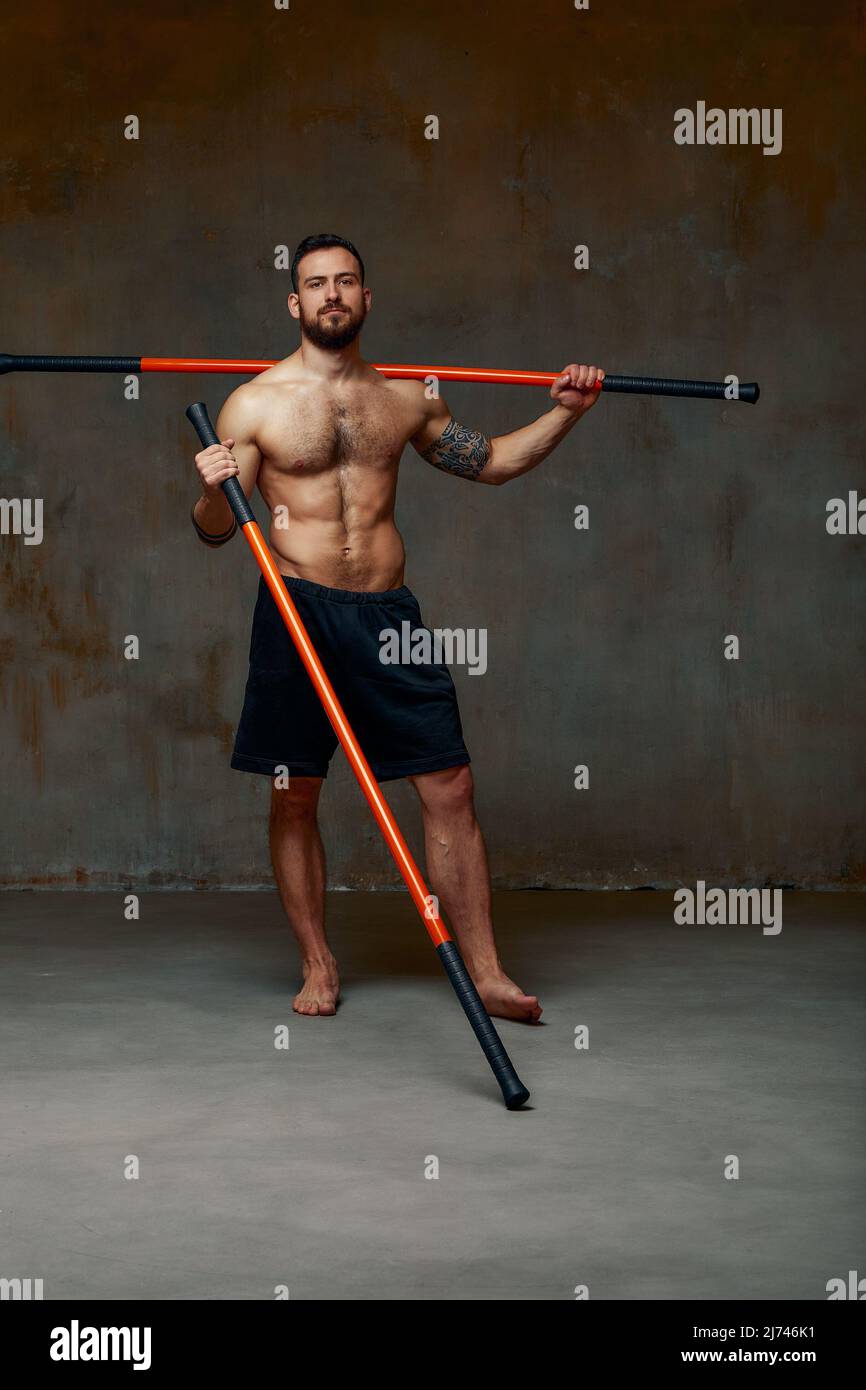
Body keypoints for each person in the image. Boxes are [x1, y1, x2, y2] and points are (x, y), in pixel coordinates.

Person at [192, 233, 604, 1021]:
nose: (332, 294)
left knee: (450, 782)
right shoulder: (255, 404)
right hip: (295, 608)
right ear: (295, 302)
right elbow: (217, 528)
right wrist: (213, 487)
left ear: (366, 297)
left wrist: (565, 413)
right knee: (294, 793)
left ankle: (485, 974)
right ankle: (318, 965)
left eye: (346, 281)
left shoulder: (408, 398)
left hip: (387, 614)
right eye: (316, 284)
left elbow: (494, 462)